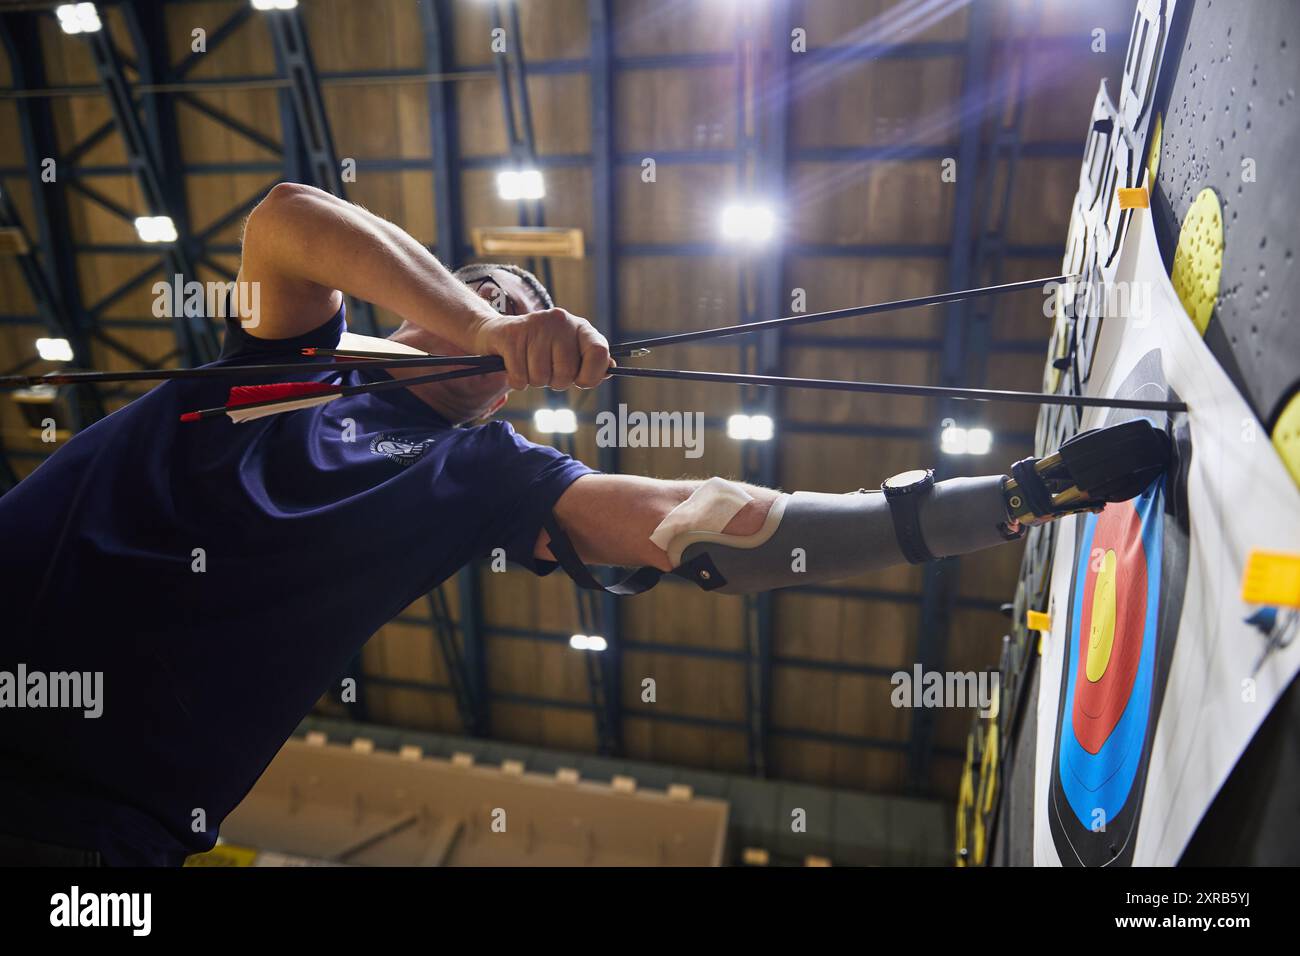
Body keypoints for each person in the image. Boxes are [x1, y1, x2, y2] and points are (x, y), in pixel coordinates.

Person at [0, 183, 1108, 865]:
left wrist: (1000, 499)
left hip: (89, 835)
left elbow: (704, 523)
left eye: (528, 325)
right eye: (485, 298)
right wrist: (484, 316)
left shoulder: (482, 469)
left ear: (517, 389)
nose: (508, 328)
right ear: (415, 308)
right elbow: (288, 220)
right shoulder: (284, 368)